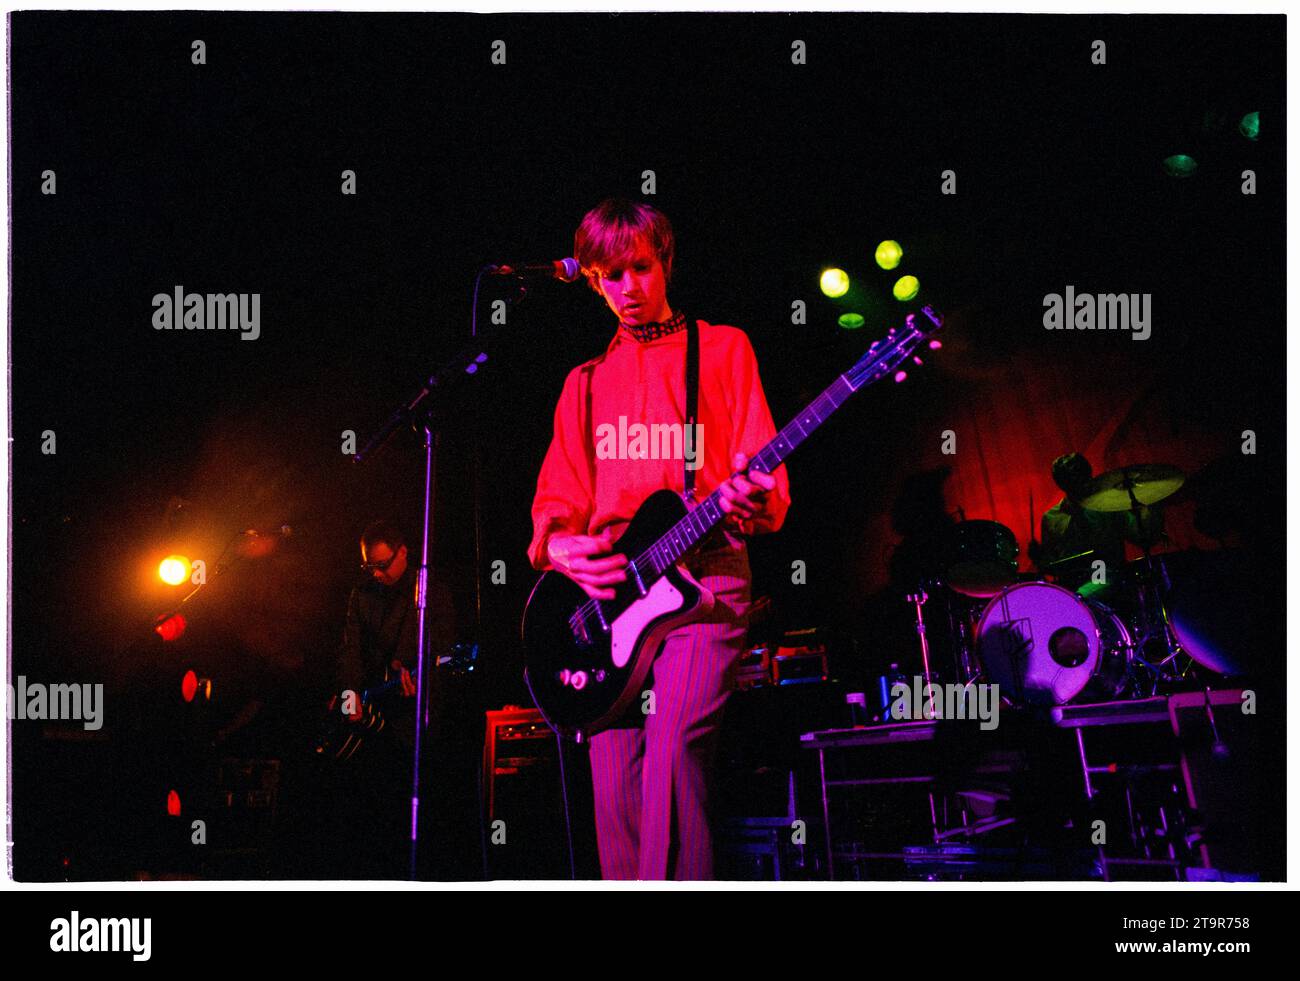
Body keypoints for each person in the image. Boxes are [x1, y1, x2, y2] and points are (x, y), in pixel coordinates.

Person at [527, 198, 791, 879]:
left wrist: (749, 496)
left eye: (640, 268)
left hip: (704, 581)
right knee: (613, 786)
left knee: (673, 756)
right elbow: (557, 504)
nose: (629, 288)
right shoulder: (581, 384)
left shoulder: (724, 347)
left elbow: (766, 472)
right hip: (611, 597)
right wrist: (558, 546)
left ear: (665, 261)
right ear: (589, 279)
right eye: (609, 276)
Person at [333, 520, 456, 878]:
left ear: (403, 552)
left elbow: (448, 655)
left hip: (413, 725)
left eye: (383, 565)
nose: (377, 574)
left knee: (413, 822)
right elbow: (349, 651)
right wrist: (347, 695)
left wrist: (424, 681)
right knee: (369, 826)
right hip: (370, 726)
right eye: (369, 566)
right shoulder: (361, 593)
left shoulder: (429, 588)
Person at [1037, 452, 1162, 600]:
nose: (1075, 480)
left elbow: (1142, 538)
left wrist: (1152, 504)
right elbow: (1051, 564)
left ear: (1088, 474)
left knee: (1084, 595)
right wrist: (1039, 558)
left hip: (1105, 573)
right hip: (1071, 583)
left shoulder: (1107, 505)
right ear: (1060, 482)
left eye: (1078, 474)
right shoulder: (1051, 518)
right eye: (1069, 477)